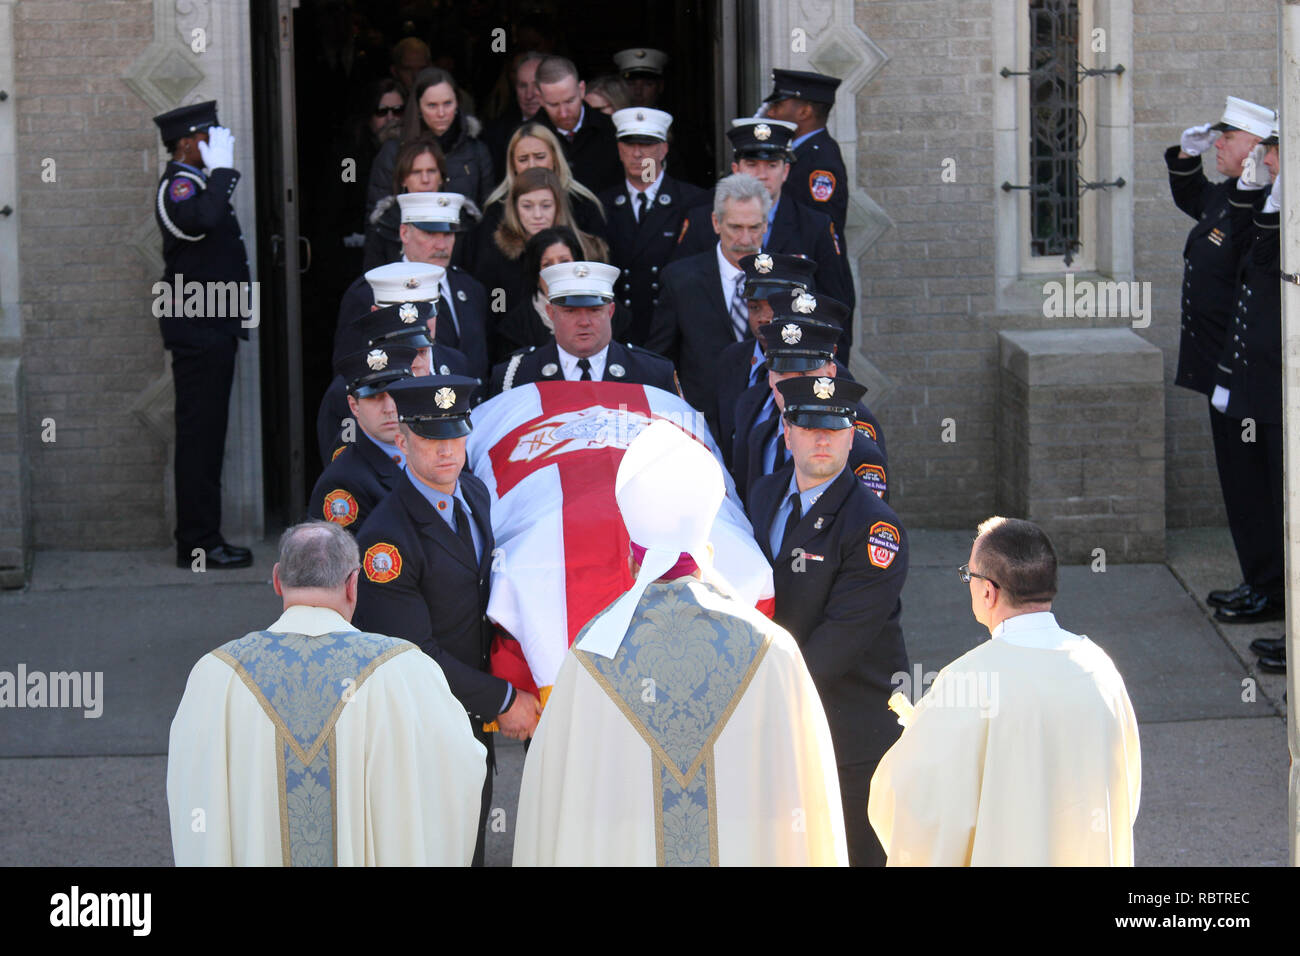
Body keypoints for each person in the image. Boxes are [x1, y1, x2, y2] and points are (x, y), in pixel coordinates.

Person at [513, 420, 848, 866]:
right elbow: (804, 804)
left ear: (632, 554)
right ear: (707, 544)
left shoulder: (591, 656)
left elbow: (557, 809)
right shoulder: (772, 651)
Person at [167, 520, 487, 865]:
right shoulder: (406, 669)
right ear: (353, 584)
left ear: (277, 580)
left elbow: (193, 791)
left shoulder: (217, 673)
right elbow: (460, 769)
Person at [868, 517, 1142, 866]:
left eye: (968, 576)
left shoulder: (965, 682)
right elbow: (1124, 792)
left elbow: (912, 808)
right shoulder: (1101, 669)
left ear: (988, 591)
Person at [353, 376, 541, 867]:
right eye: (432, 439)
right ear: (403, 440)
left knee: (470, 848)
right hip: (422, 731)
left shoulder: (474, 494)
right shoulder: (387, 541)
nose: (447, 452)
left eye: (456, 436)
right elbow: (412, 655)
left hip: (470, 724)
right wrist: (502, 699)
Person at [747, 374, 909, 866]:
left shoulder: (875, 526)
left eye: (836, 429)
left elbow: (839, 642)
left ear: (851, 435)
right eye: (810, 425)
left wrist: (753, 694)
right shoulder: (763, 494)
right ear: (787, 429)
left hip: (849, 732)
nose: (823, 439)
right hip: (777, 715)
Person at [1166, 96, 1277, 621]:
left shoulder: (1257, 204)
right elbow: (1194, 199)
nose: (1219, 146)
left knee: (1258, 488)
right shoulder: (1229, 197)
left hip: (1250, 375)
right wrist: (1184, 160)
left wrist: (1253, 192)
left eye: (1227, 139)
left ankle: (1271, 589)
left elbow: (1245, 247)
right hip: (1222, 370)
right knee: (1240, 487)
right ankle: (1257, 579)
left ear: (1258, 148)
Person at [150, 100, 252, 570]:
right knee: (199, 440)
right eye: (208, 137)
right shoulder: (179, 186)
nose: (215, 144)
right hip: (198, 330)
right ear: (189, 142)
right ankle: (198, 544)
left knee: (207, 439)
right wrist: (224, 173)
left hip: (211, 326)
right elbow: (201, 221)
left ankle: (204, 538)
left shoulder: (196, 183)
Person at [673, 118, 855, 353]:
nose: (762, 175)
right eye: (752, 164)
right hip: (710, 365)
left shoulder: (814, 225)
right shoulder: (701, 219)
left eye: (772, 165)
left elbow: (836, 309)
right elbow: (678, 293)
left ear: (786, 170)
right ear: (736, 169)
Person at [1217, 133, 1287, 651]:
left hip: (1281, 387)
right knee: (1260, 497)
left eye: (1276, 152)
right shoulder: (1272, 203)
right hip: (1259, 381)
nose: (1267, 160)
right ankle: (1273, 595)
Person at [732, 294, 885, 506]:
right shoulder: (761, 436)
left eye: (804, 375)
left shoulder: (856, 446)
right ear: (770, 377)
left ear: (831, 373)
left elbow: (863, 526)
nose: (791, 388)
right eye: (782, 375)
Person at [320, 263, 468, 465]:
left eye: (426, 310)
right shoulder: (348, 387)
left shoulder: (457, 364)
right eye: (401, 313)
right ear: (374, 312)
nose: (415, 321)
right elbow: (346, 475)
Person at [646, 173, 770, 414]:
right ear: (716, 223)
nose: (745, 239)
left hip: (769, 428)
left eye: (754, 228)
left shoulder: (789, 280)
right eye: (735, 227)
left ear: (765, 225)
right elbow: (659, 361)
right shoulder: (680, 280)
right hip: (701, 427)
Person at [597, 107, 708, 345]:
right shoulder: (601, 205)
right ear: (619, 149)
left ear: (663, 149)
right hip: (618, 330)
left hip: (670, 329)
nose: (637, 154)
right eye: (629, 144)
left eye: (646, 144)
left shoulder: (693, 201)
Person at [489, 261, 677, 395]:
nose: (584, 321)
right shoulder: (515, 376)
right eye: (570, 311)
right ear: (550, 313)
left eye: (595, 310)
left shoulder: (653, 374)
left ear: (610, 311)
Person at [715, 252, 818, 466]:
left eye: (775, 307)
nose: (763, 317)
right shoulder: (731, 360)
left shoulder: (822, 372)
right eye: (754, 307)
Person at [308, 343, 417, 533]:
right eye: (375, 397)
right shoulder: (341, 482)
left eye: (397, 394)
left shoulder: (435, 452)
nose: (389, 408)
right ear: (354, 406)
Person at [472, 121, 608, 272]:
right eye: (523, 159)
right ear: (513, 164)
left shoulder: (582, 203)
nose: (532, 165)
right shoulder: (497, 208)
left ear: (555, 158)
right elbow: (487, 276)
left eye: (540, 157)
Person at [472, 167, 608, 318]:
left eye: (546, 205)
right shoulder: (498, 256)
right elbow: (496, 309)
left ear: (558, 207)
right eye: (527, 206)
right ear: (514, 208)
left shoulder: (585, 251)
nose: (537, 215)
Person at [366, 67, 494, 224]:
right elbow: (377, 218)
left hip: (466, 245)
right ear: (418, 107)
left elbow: (489, 217)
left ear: (457, 104)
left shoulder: (477, 151)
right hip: (406, 245)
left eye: (447, 103)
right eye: (432, 105)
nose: (441, 113)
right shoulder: (393, 151)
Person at [492, 226, 632, 361]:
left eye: (564, 261)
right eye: (547, 264)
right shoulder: (514, 327)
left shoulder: (614, 314)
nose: (557, 269)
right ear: (535, 271)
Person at [393, 191, 490, 379]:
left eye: (448, 233)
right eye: (429, 233)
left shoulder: (472, 289)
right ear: (404, 233)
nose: (441, 245)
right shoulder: (377, 291)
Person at [761, 68, 849, 237]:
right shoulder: (798, 150)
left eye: (777, 105)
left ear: (804, 112)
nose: (770, 113)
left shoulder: (820, 160)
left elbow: (817, 229)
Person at [533, 55, 623, 195]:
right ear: (540, 99)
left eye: (570, 101)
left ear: (582, 90)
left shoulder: (613, 130)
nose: (563, 113)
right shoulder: (526, 137)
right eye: (553, 104)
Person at [362, 135, 448, 271]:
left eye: (431, 171)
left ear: (441, 177)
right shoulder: (384, 224)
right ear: (403, 179)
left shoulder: (460, 221)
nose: (425, 179)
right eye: (416, 172)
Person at [482, 50, 545, 179]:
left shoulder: (565, 129)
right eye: (523, 86)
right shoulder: (496, 134)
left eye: (536, 86)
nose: (529, 95)